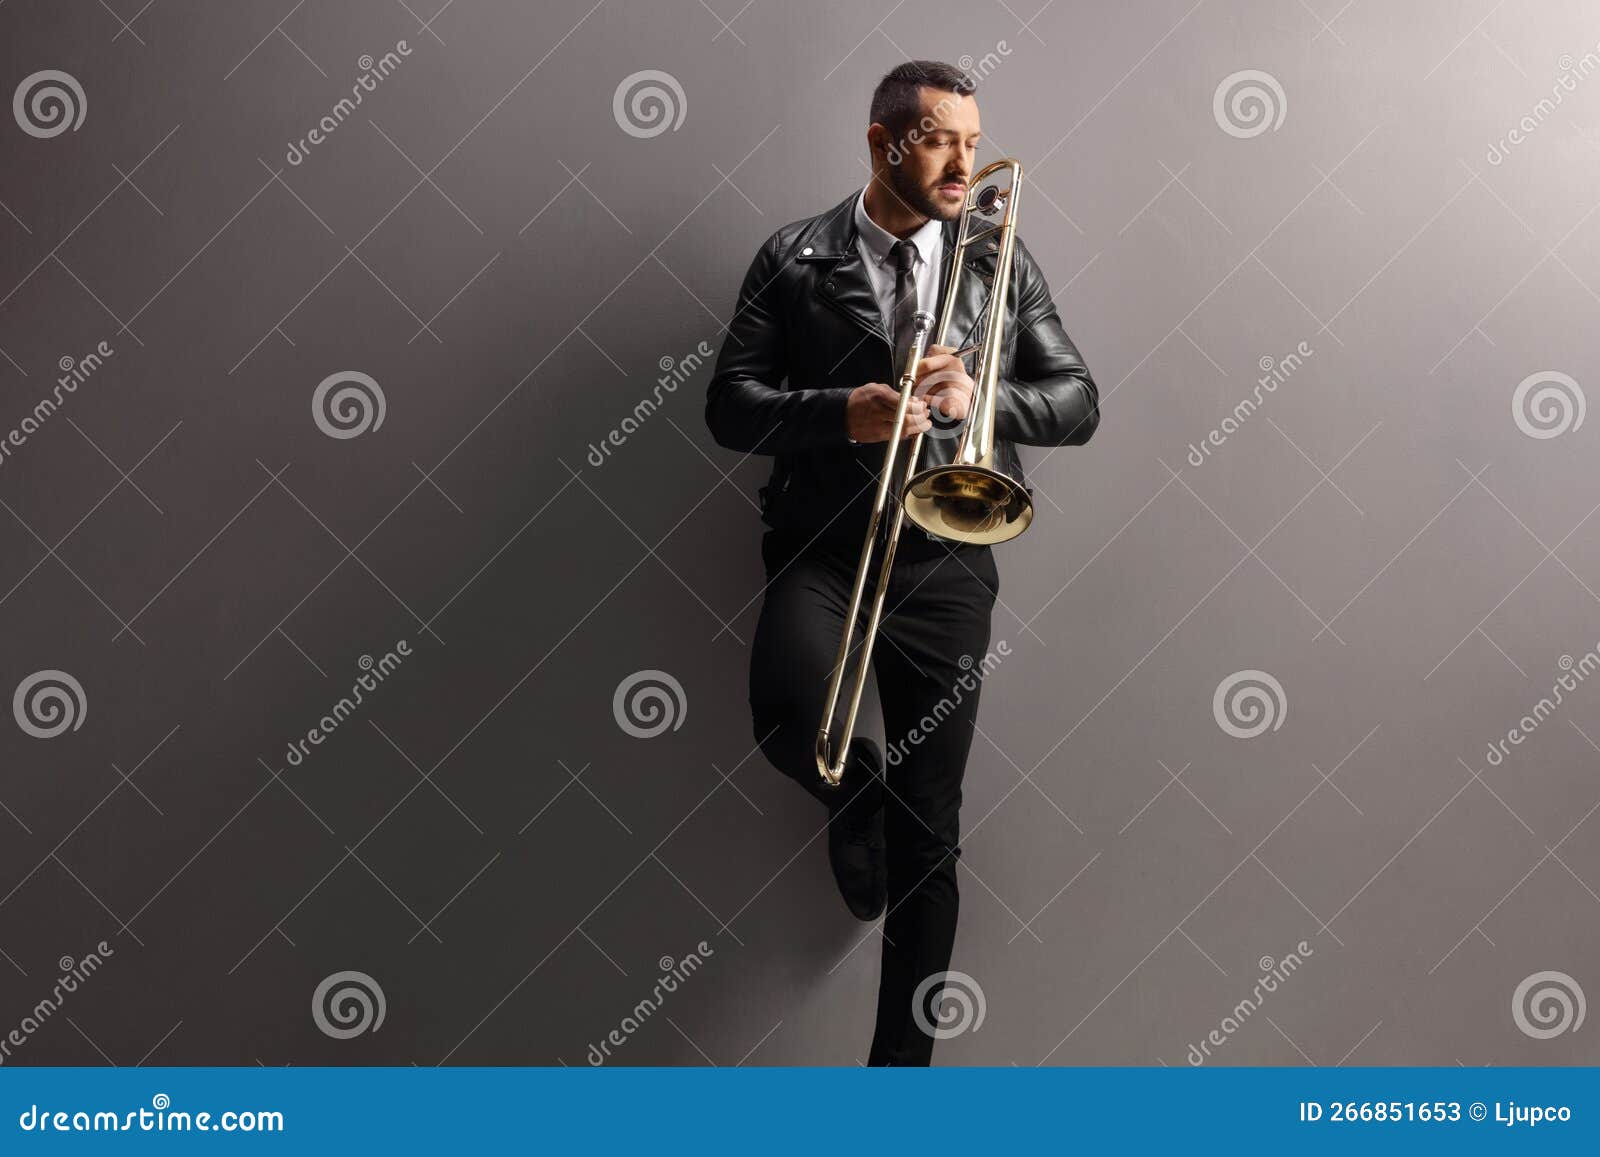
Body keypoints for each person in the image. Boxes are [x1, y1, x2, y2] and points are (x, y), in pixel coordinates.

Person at [704, 59, 1099, 1065]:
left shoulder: (998, 254)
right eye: (940, 140)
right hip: (825, 546)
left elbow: (1079, 401)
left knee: (933, 836)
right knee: (793, 717)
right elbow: (728, 404)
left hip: (950, 553)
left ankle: (897, 1086)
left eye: (973, 139)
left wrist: (985, 403)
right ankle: (855, 796)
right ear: (882, 143)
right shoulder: (793, 256)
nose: (965, 161)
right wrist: (839, 411)